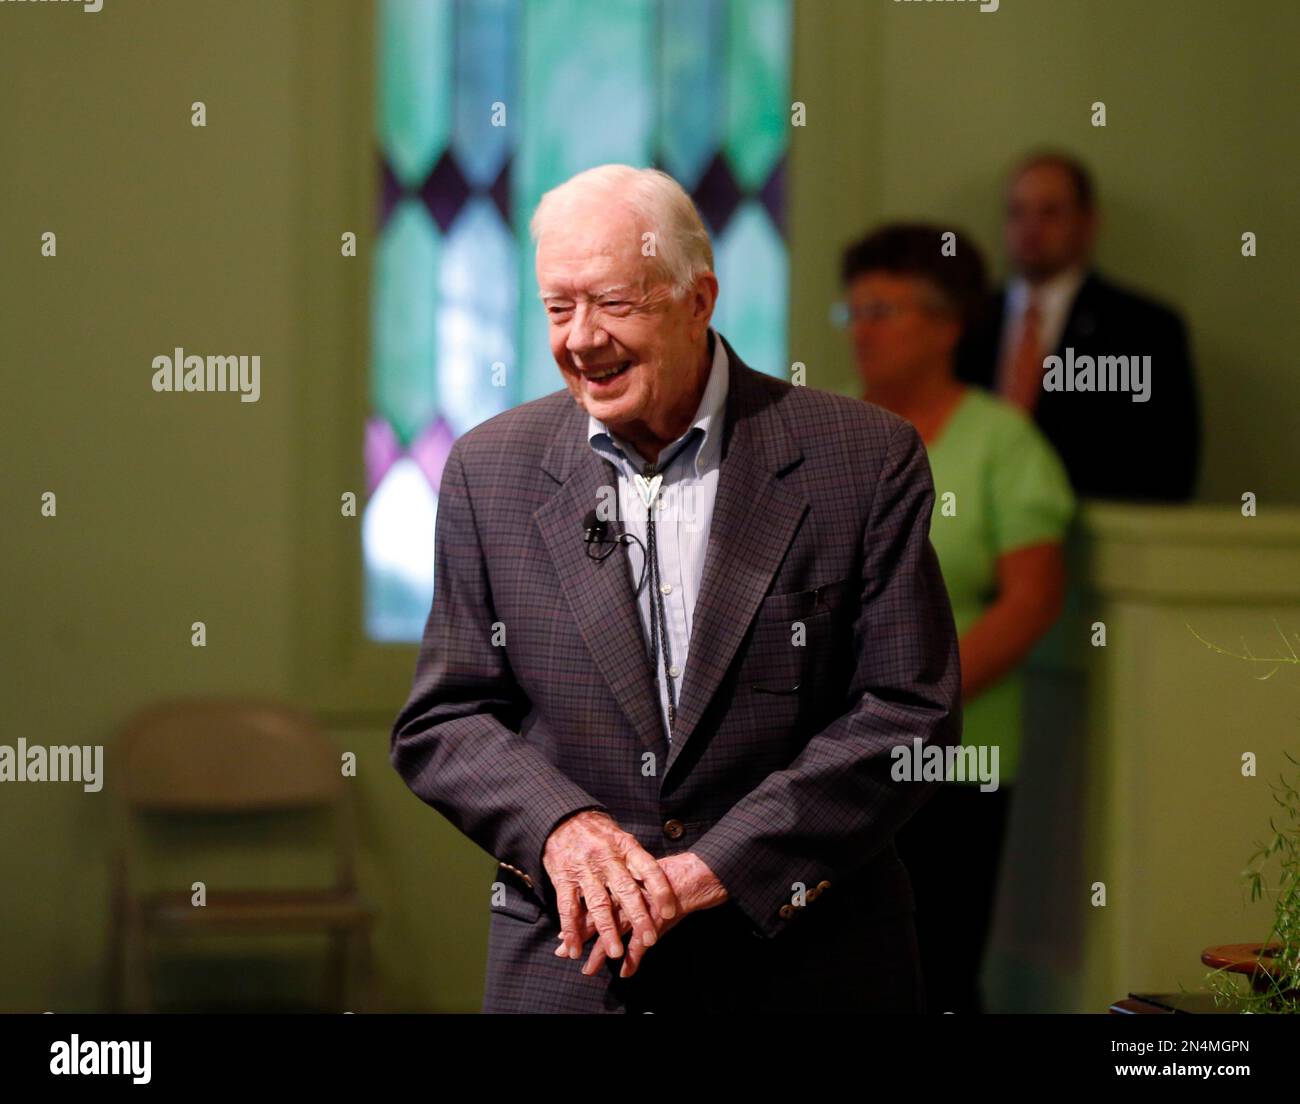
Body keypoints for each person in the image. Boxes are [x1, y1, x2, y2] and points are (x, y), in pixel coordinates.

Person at [390, 165, 962, 1013]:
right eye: (558, 307)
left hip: (807, 962)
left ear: (699, 300)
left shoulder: (863, 459)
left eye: (614, 304)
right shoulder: (489, 471)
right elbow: (446, 719)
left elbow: (910, 714)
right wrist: (562, 827)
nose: (581, 338)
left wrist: (717, 869)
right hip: (572, 965)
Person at [837, 223, 1076, 1012]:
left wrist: (912, 703)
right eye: (856, 311)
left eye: (885, 311)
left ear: (948, 324)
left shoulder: (1003, 444)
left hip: (956, 759)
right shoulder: (832, 433)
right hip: (826, 757)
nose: (863, 330)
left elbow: (1033, 598)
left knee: (934, 965)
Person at [956, 150, 1200, 501]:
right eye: (1017, 212)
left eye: (1050, 212)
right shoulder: (966, 321)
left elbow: (1170, 464)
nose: (1031, 228)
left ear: (1088, 222)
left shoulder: (1145, 329)